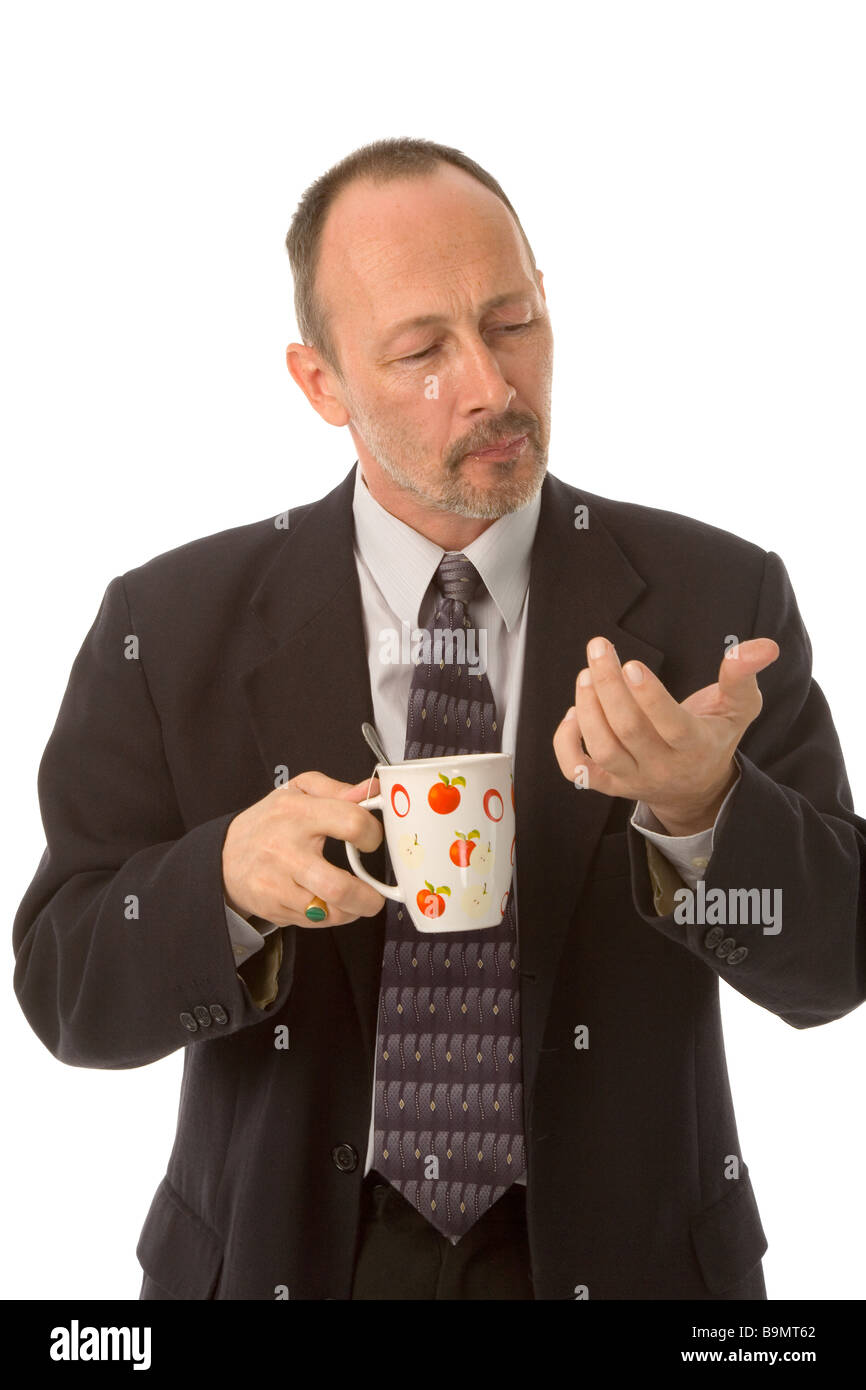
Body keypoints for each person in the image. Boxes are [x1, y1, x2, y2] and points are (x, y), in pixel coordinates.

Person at [13, 136, 866, 1300]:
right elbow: (65, 987)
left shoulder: (717, 600)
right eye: (420, 350)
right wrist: (216, 881)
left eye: (512, 322)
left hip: (628, 1266)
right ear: (321, 384)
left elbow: (834, 966)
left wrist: (704, 809)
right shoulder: (164, 625)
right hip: (285, 1259)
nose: (490, 384)